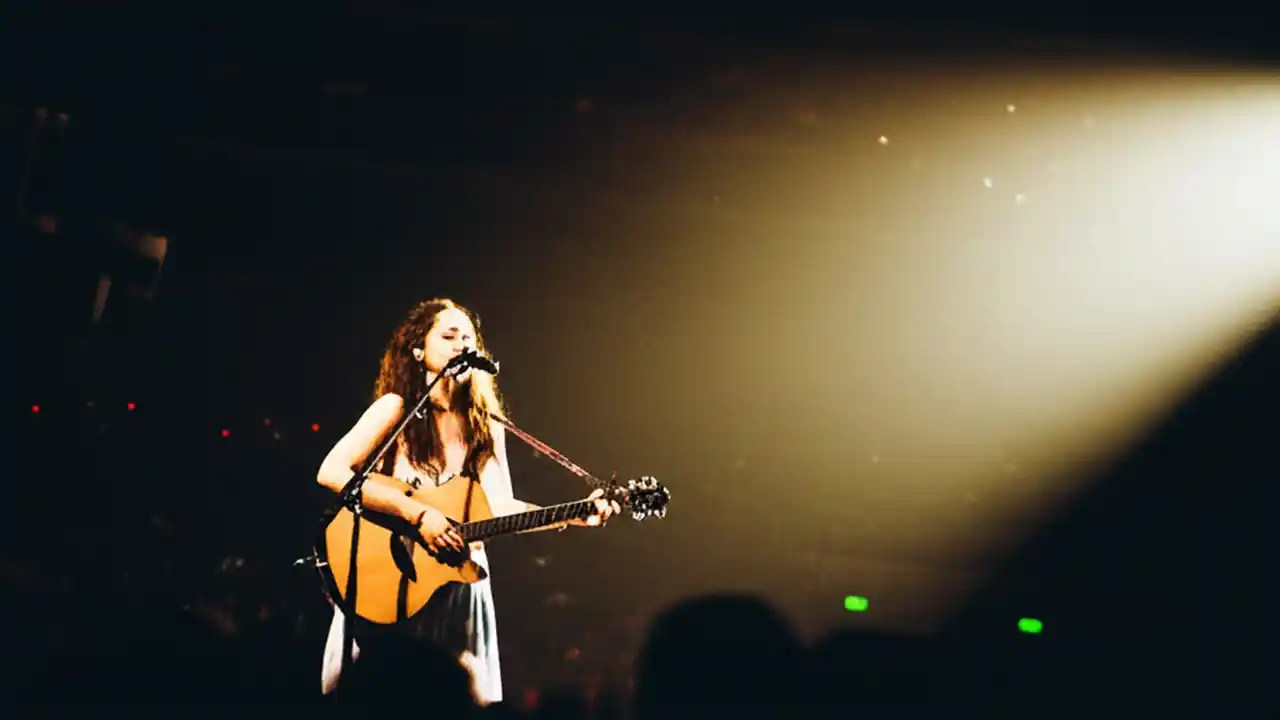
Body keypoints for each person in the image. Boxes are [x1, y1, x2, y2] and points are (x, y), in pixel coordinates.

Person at [315, 298, 618, 704]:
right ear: (418, 349)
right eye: (449, 335)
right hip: (389, 581)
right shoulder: (396, 408)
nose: (461, 344)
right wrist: (419, 514)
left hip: (457, 587)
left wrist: (576, 515)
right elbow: (332, 472)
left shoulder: (485, 425)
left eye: (468, 338)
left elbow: (501, 508)